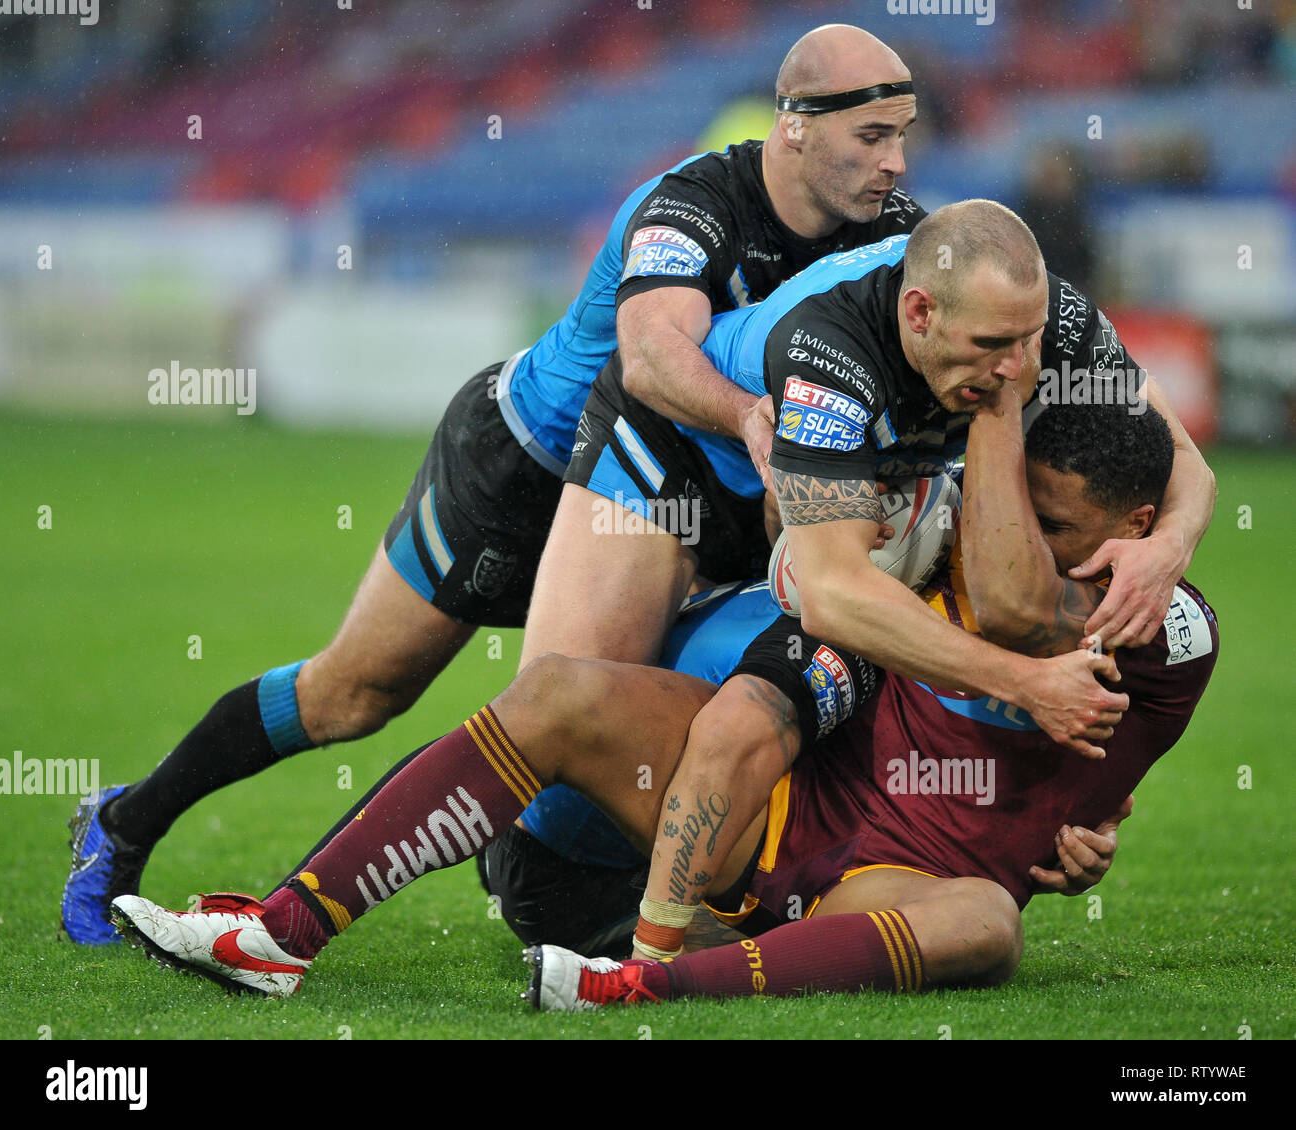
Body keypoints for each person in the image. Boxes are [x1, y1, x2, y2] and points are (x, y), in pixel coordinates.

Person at [63, 23, 927, 945]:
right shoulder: (694, 201)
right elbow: (647, 356)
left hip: (668, 494)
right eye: (873, 137)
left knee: (577, 727)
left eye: (904, 135)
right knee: (355, 694)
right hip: (520, 468)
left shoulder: (893, 235)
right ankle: (128, 825)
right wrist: (756, 419)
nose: (896, 162)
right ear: (794, 124)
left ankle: (284, 924)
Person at [107, 398, 1215, 1004]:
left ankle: (648, 984)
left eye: (1053, 524)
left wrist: (1086, 834)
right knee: (559, 690)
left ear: (1131, 538)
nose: (1013, 532)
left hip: (890, 883)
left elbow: (1072, 754)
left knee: (986, 925)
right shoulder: (944, 522)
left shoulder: (1169, 631)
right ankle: (282, 932)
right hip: (776, 798)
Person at [506, 200, 1214, 959]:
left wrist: (1167, 545)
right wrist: (1023, 682)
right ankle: (563, 888)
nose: (1014, 365)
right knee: (552, 721)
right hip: (673, 470)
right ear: (919, 313)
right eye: (874, 131)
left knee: (811, 708)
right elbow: (846, 596)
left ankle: (685, 928)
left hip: (812, 532)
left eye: (901, 131)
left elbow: (1183, 457)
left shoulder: (1039, 330)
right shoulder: (836, 345)